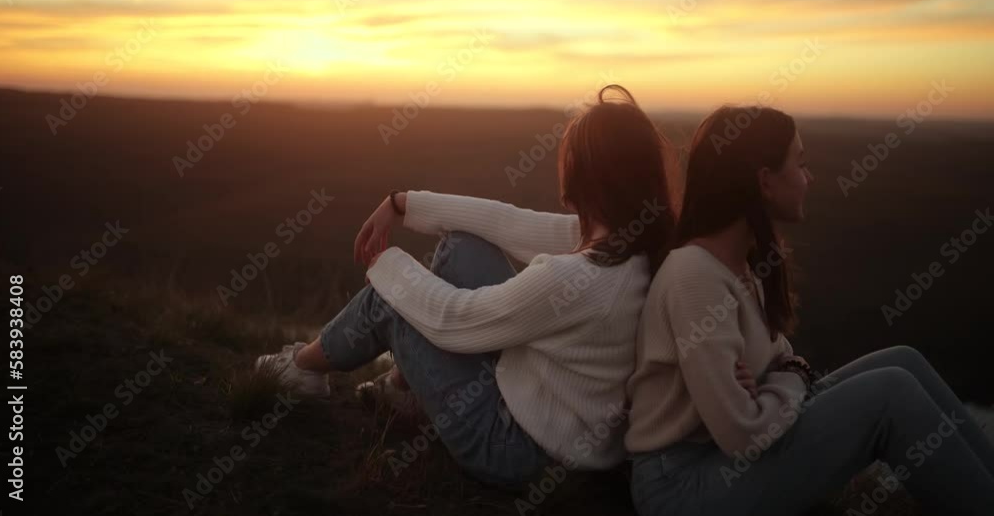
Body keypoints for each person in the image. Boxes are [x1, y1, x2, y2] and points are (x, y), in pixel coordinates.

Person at [255, 85, 679, 486]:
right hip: (564, 432)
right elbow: (506, 222)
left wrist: (387, 267)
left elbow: (453, 321)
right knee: (463, 245)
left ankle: (301, 370)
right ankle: (403, 391)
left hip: (515, 449)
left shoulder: (578, 277)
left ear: (585, 175)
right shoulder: (634, 246)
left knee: (392, 303)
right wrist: (403, 203)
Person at [625, 105, 994, 515]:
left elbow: (780, 360)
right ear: (765, 181)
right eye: (800, 164)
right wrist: (790, 381)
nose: (809, 177)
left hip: (717, 459)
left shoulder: (737, 265)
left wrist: (781, 379)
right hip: (682, 486)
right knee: (891, 392)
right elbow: (742, 432)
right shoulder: (695, 279)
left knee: (904, 361)